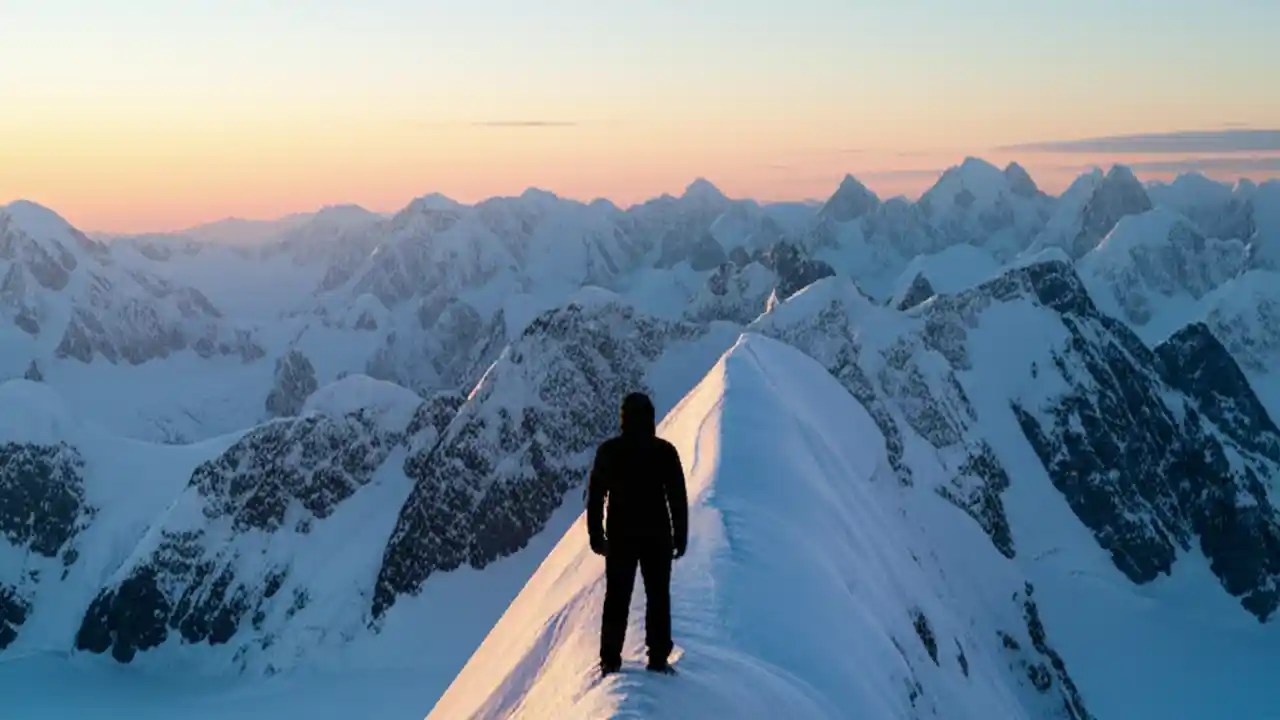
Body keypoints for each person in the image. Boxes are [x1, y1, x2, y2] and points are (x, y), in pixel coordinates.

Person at [587, 392, 688, 676]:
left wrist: (596, 534)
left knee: (617, 597)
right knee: (658, 597)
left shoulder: (609, 451)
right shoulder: (664, 451)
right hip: (658, 536)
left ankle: (610, 659)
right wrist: (680, 536)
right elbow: (677, 498)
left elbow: (595, 497)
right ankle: (657, 658)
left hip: (621, 536)